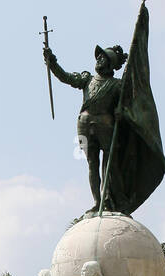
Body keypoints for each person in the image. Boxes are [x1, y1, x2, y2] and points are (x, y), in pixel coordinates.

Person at [44, 43, 127, 211]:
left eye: (103, 57)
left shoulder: (118, 85)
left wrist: (121, 110)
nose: (99, 59)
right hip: (84, 124)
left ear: (110, 63)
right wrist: (52, 62)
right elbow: (66, 77)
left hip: (106, 126)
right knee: (92, 163)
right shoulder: (87, 79)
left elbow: (129, 105)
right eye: (98, 56)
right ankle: (98, 202)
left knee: (111, 165)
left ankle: (113, 201)